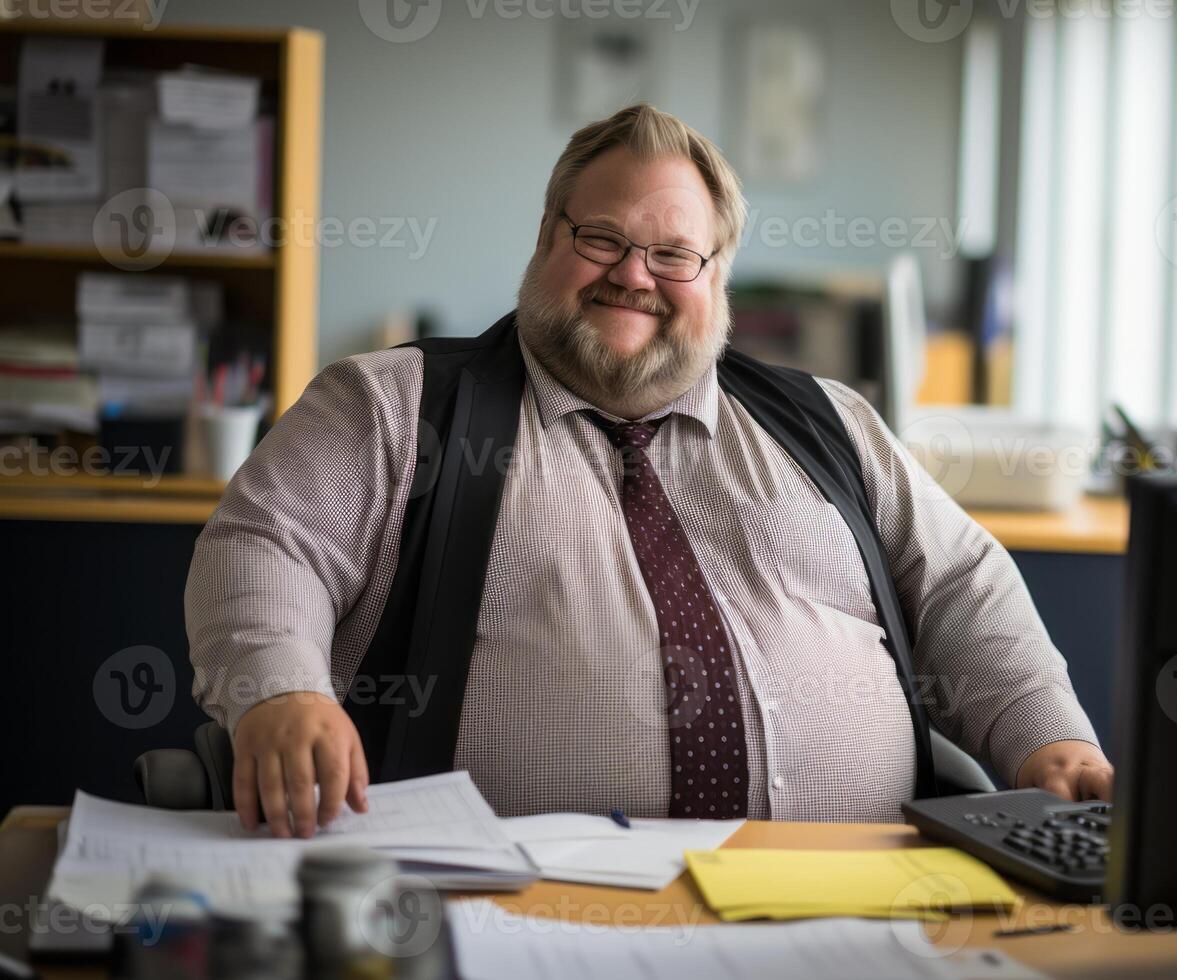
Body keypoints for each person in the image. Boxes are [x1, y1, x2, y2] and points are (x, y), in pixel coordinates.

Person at [186, 104, 1112, 840]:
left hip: (847, 908)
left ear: (718, 278)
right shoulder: (395, 405)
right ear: (547, 238)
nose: (634, 274)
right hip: (495, 904)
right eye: (601, 238)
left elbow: (961, 584)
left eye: (674, 253)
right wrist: (282, 691)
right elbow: (268, 544)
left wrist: (1050, 739)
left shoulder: (831, 424)